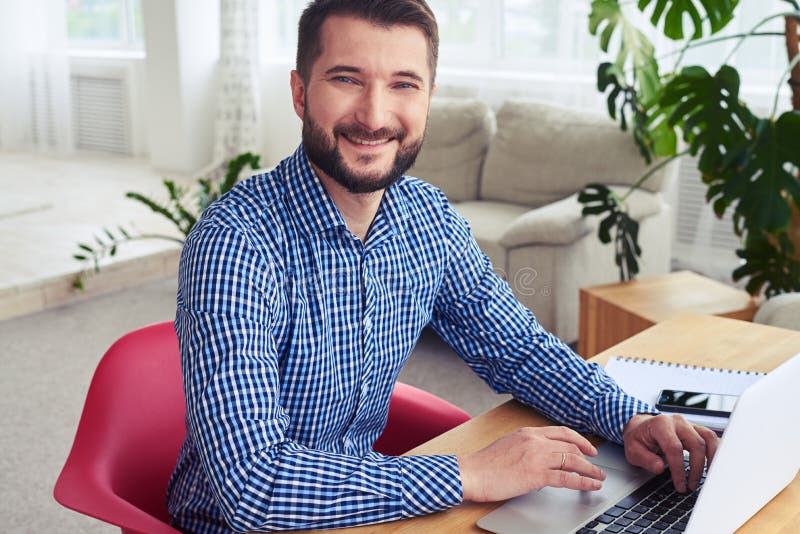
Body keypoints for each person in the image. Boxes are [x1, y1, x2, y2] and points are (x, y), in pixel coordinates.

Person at [166, 1, 719, 532]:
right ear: (299, 92)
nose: (374, 115)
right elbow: (251, 487)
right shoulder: (235, 244)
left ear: (429, 98)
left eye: (403, 84)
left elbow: (518, 349)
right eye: (346, 79)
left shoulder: (428, 216)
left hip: (361, 500)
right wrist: (471, 471)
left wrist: (629, 419)